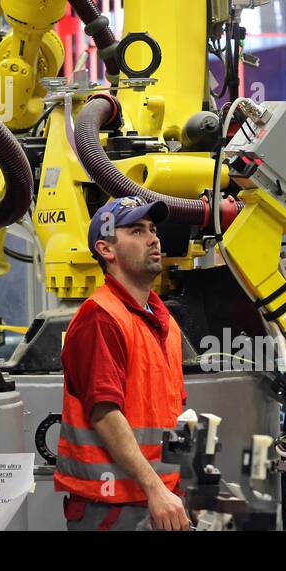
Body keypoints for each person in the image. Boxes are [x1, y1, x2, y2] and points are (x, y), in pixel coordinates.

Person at [55, 196, 190, 531]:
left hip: (156, 500)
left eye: (153, 229)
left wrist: (177, 489)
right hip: (113, 508)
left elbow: (169, 413)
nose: (153, 238)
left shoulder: (163, 321)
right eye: (136, 230)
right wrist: (156, 488)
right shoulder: (101, 317)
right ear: (106, 249)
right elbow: (105, 413)